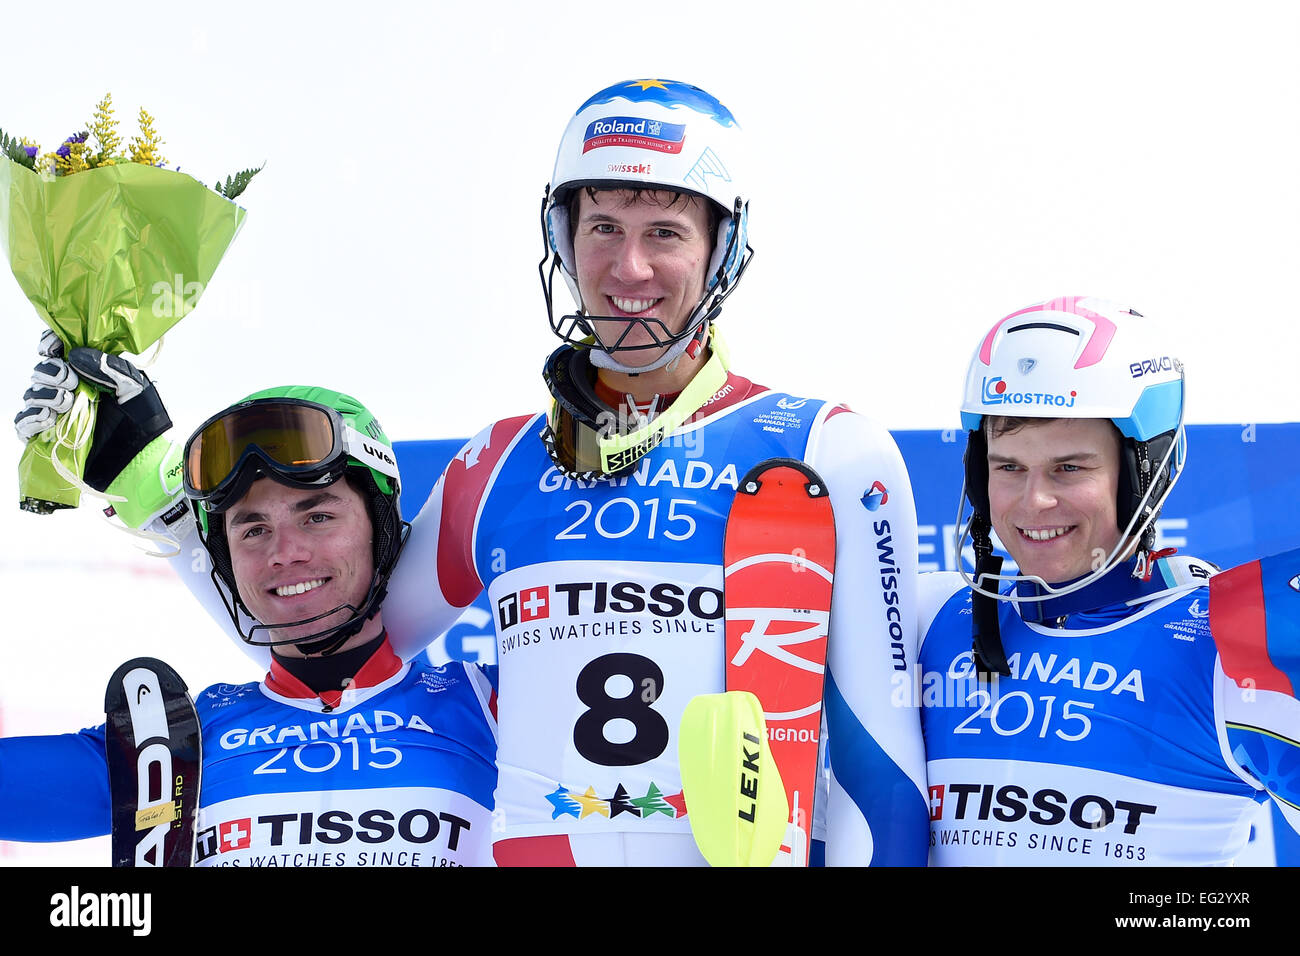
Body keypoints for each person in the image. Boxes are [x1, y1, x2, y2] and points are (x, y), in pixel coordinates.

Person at [6, 357, 497, 867]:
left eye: (318, 516)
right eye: (253, 529)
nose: (285, 552)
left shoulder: (494, 707)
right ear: (226, 560)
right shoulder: (180, 741)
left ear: (383, 528)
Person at [918, 295, 1300, 865]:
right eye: (1008, 467)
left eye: (1069, 468)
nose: (1034, 501)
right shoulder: (928, 618)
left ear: (1144, 471)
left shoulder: (1230, 642)